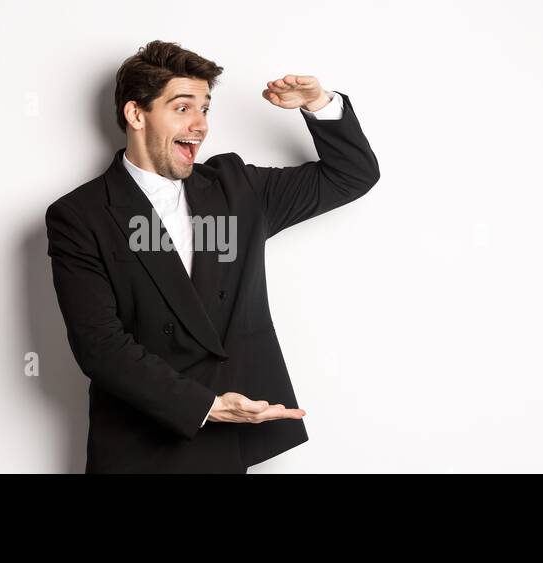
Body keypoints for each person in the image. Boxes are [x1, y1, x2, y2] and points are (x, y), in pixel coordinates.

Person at [46, 40, 380, 473]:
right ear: (136, 114)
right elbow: (99, 345)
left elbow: (351, 175)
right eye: (183, 108)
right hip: (137, 445)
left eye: (205, 109)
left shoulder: (237, 189)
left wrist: (319, 103)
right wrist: (207, 406)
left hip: (224, 445)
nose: (200, 125)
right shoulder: (79, 215)